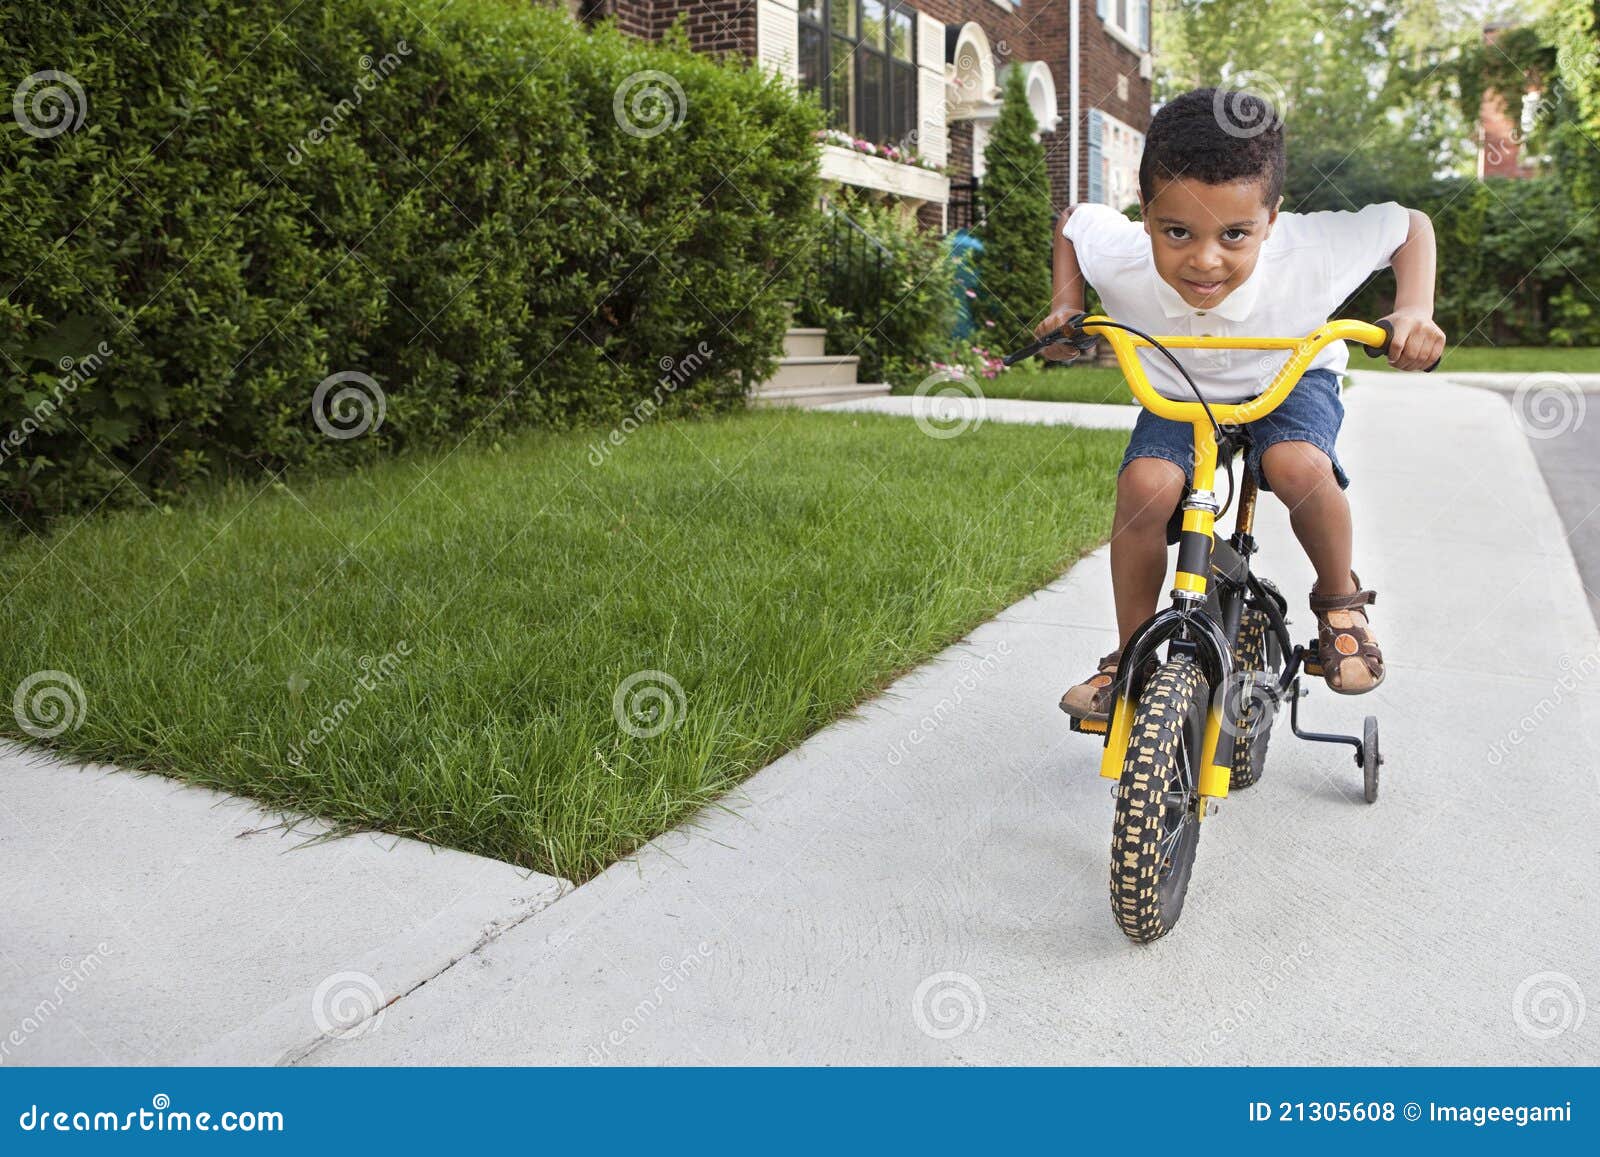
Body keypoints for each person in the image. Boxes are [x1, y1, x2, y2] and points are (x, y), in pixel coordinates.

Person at [1046, 87, 1445, 723]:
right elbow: (1072, 221)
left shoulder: (1315, 254)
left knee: (1294, 465)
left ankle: (1340, 598)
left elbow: (1410, 227)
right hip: (1182, 389)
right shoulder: (1121, 256)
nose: (1205, 260)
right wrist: (1066, 307)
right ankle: (1133, 653)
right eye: (1177, 231)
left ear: (1273, 217)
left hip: (1287, 377)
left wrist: (1415, 310)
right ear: (1145, 211)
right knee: (1145, 485)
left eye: (1236, 234)